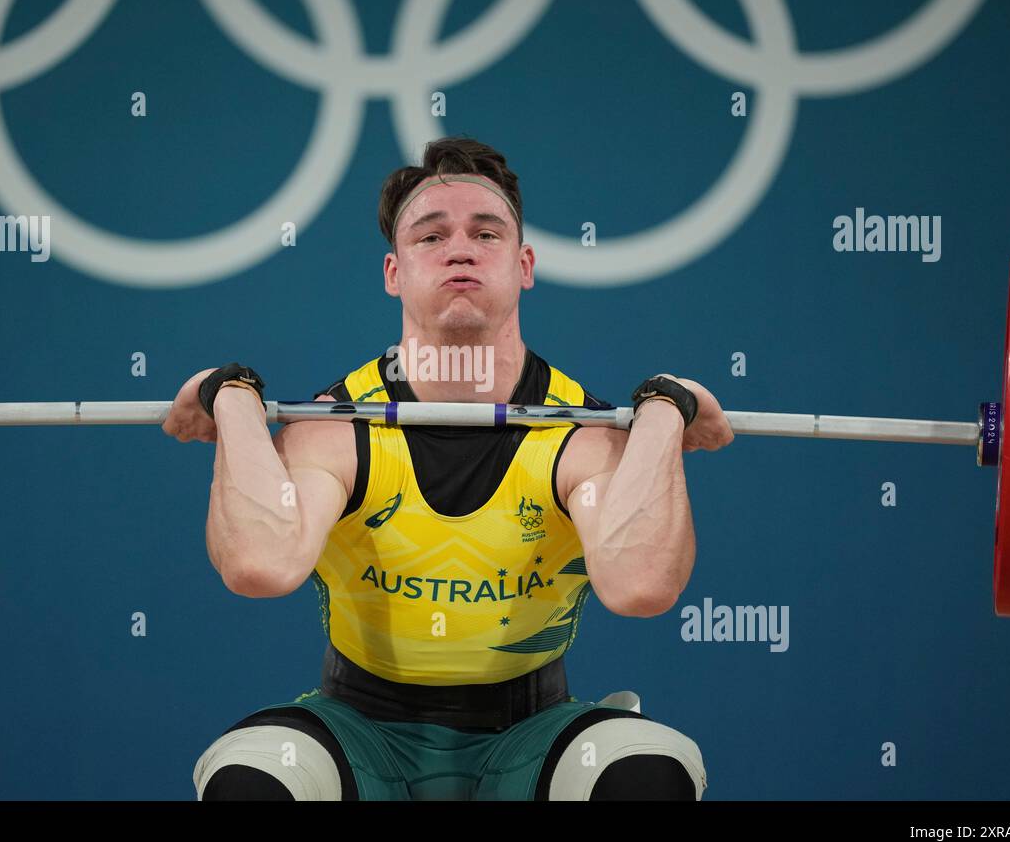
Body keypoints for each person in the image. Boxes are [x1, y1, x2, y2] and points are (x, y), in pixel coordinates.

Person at [164, 137, 734, 800]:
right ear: (393, 272)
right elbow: (259, 567)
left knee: (648, 774)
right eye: (430, 236)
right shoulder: (337, 426)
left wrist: (665, 407)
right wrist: (232, 393)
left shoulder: (583, 434)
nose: (460, 248)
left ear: (524, 264)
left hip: (534, 734)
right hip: (359, 730)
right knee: (250, 783)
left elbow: (641, 588)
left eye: (485, 233)